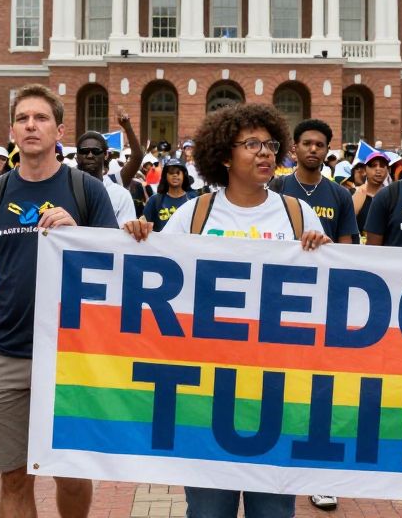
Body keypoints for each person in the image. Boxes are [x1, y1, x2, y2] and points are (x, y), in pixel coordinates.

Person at [122, 103, 329, 518]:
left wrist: (322, 253)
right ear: (224, 156)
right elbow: (156, 277)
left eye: (270, 144)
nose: (265, 152)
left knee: (273, 512)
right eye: (251, 144)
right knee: (208, 511)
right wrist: (138, 237)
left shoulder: (297, 214)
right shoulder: (194, 214)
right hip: (206, 399)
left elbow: (325, 296)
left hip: (275, 397)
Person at [0, 85, 117, 518]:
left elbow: (113, 268)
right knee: (13, 476)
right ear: (12, 130)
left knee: (71, 474)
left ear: (60, 130)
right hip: (5, 353)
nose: (31, 125)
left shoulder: (86, 191)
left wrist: (79, 234)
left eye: (41, 118)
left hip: (72, 357)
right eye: (23, 118)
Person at [268, 119, 356, 511]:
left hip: (324, 306)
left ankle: (320, 478)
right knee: (283, 389)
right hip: (281, 305)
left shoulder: (339, 195)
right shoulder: (276, 189)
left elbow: (348, 250)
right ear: (294, 148)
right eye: (307, 143)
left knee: (323, 392)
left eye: (320, 144)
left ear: (327, 150)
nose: (313, 150)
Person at [76, 131, 137, 225]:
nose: (90, 155)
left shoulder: (121, 195)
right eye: (84, 151)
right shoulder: (66, 190)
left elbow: (125, 232)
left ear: (106, 155)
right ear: (77, 156)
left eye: (96, 151)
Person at [142, 158, 195, 232]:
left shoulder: (194, 199)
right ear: (165, 176)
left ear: (184, 175)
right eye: (171, 172)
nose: (175, 175)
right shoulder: (154, 201)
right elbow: (143, 227)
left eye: (178, 172)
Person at [353, 151, 390, 238]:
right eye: (373, 165)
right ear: (365, 170)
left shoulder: (392, 195)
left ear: (388, 170)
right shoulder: (358, 194)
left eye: (382, 165)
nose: (378, 169)